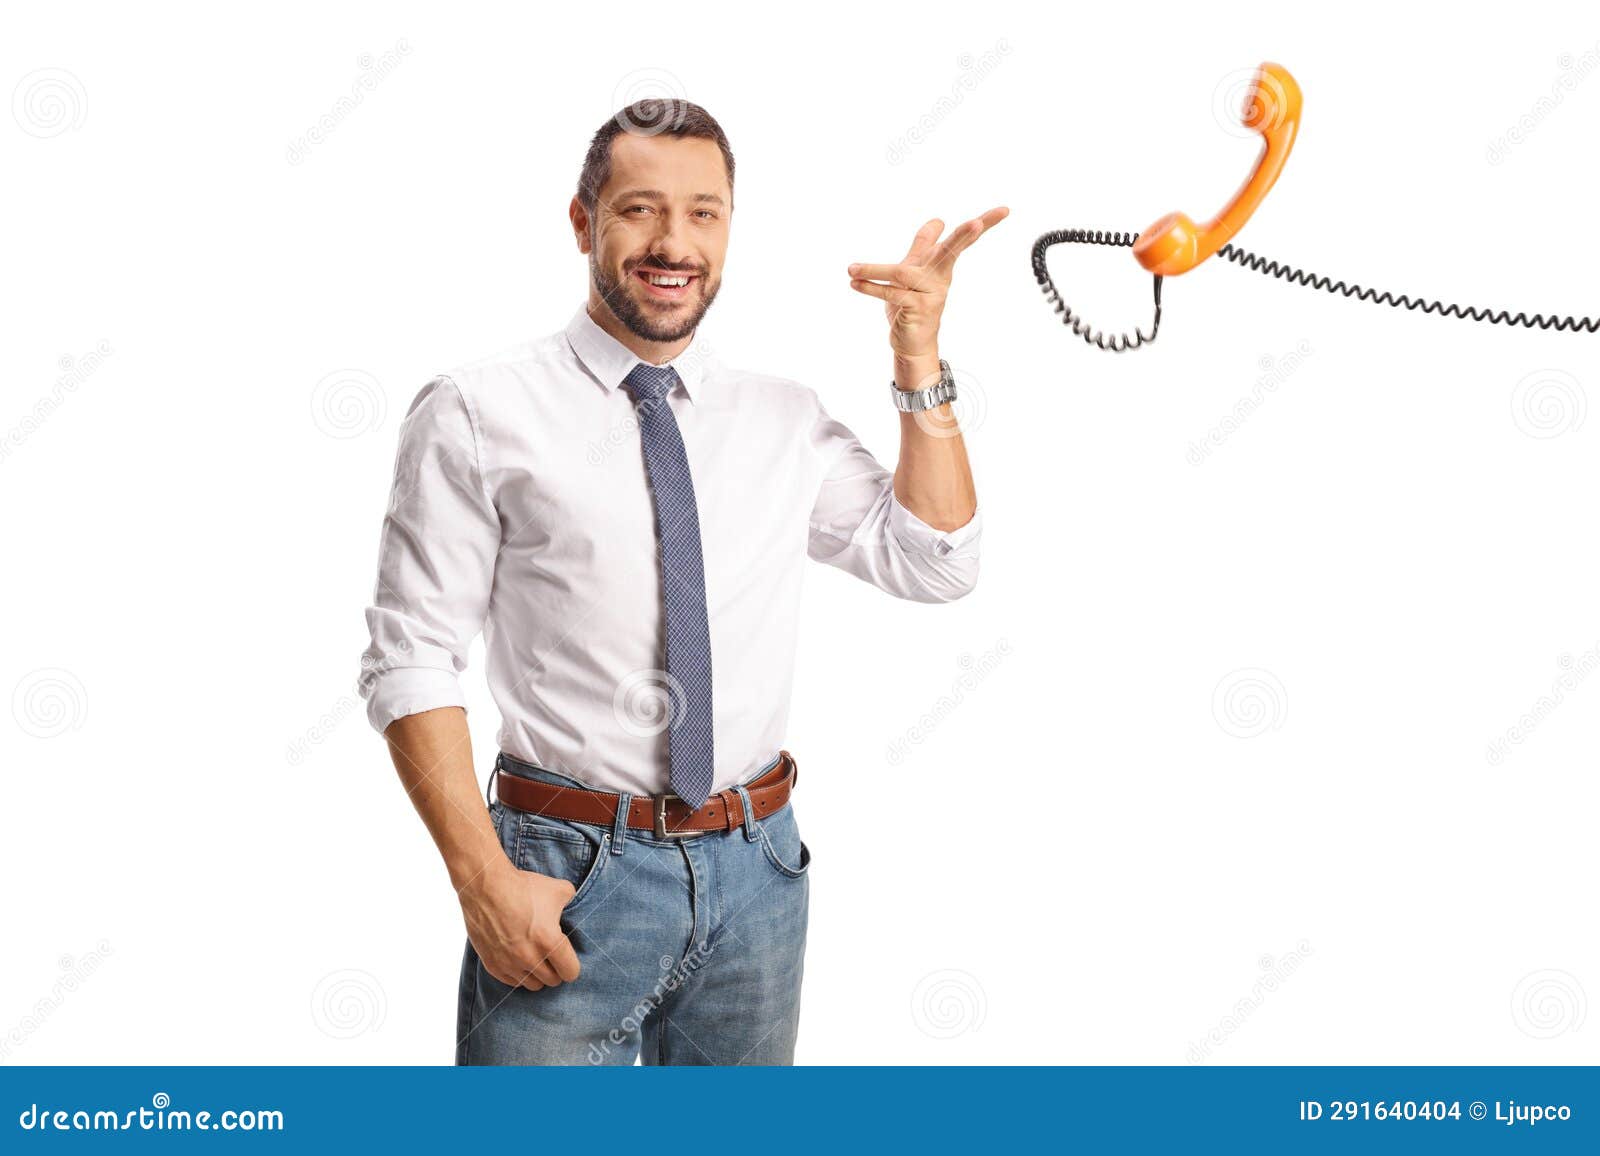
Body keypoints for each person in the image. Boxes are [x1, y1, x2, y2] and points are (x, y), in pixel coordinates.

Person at [358, 98, 1004, 1065]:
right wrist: (481, 879)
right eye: (640, 209)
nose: (674, 242)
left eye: (704, 212)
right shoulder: (478, 411)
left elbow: (935, 560)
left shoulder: (783, 418)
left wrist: (917, 355)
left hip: (759, 873)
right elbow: (410, 661)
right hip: (566, 877)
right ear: (584, 222)